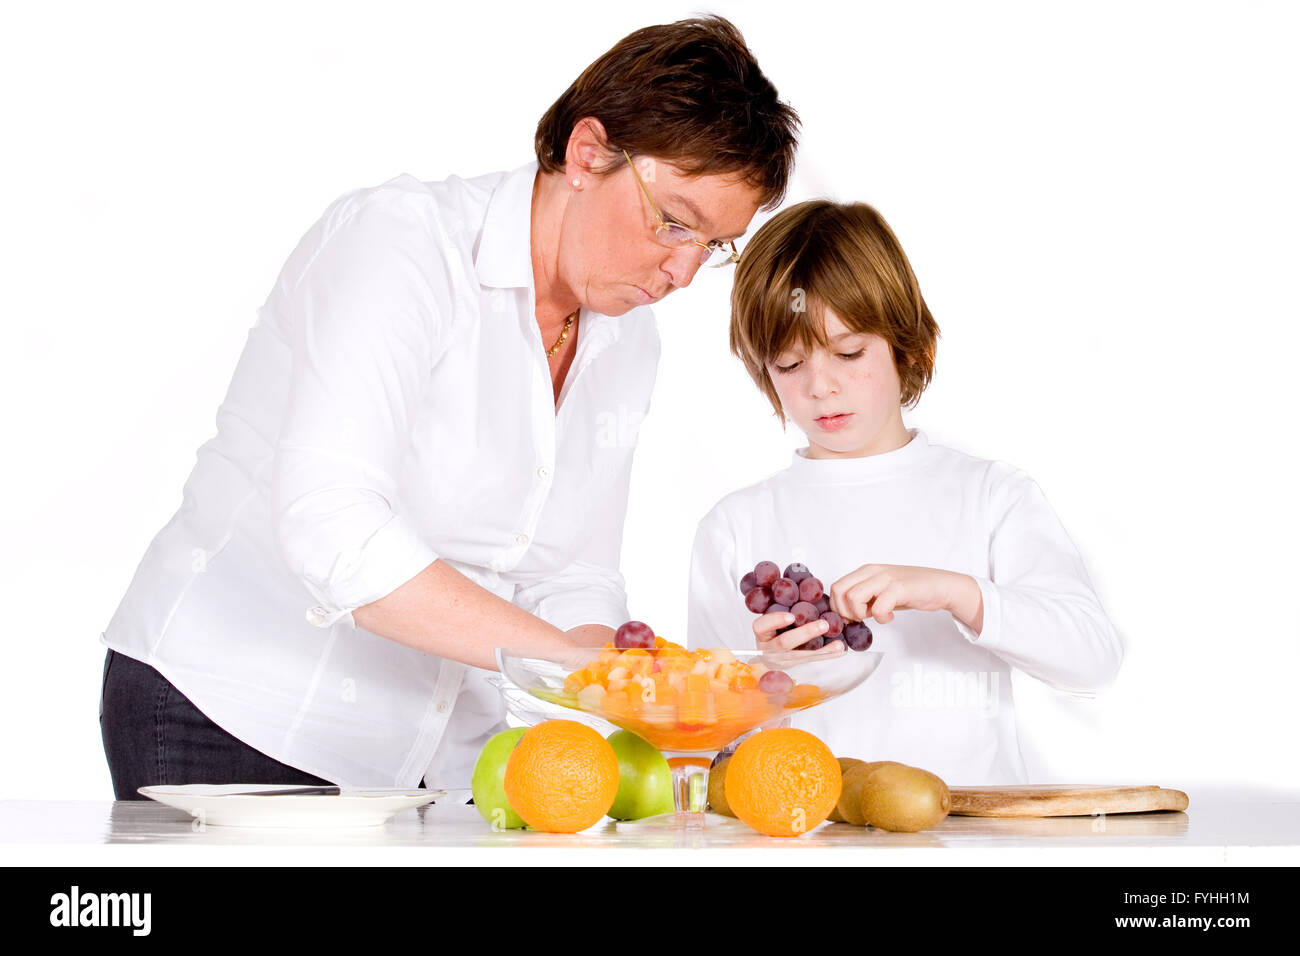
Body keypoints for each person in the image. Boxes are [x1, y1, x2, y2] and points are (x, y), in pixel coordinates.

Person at [99, 15, 800, 798]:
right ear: (588, 152)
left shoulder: (626, 341)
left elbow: (572, 570)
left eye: (715, 247)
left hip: (430, 758)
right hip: (235, 712)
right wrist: (592, 671)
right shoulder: (403, 246)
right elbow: (334, 523)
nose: (680, 271)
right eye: (675, 222)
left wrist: (639, 690)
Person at [686, 199, 1123, 785]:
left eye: (848, 353)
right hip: (806, 841)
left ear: (906, 344)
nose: (821, 386)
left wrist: (954, 591)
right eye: (789, 364)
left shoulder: (990, 496)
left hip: (972, 839)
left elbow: (1092, 659)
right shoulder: (734, 525)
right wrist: (766, 682)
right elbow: (706, 751)